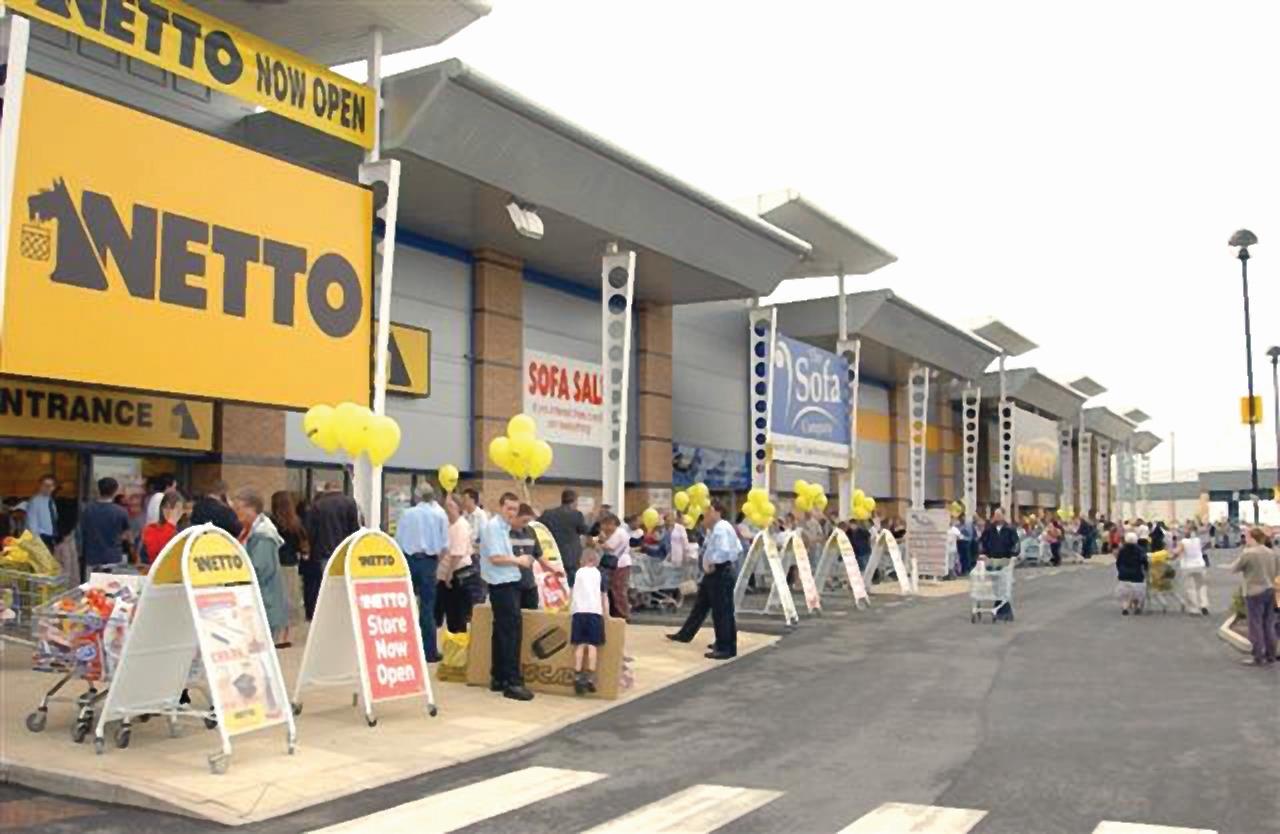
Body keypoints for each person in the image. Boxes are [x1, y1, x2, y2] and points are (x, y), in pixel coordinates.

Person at [480, 492, 534, 701]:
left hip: (508, 581)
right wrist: (519, 561)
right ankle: (512, 681)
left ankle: (499, 676)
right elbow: (495, 557)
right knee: (511, 632)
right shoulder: (494, 527)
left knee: (502, 631)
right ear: (500, 506)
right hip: (502, 583)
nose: (512, 513)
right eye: (509, 508)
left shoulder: (504, 528)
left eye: (515, 509)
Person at [396, 483, 449, 663]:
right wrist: (436, 562)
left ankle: (406, 648)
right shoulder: (440, 514)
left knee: (406, 605)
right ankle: (429, 651)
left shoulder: (407, 514)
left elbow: (399, 541)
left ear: (417, 497)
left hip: (409, 560)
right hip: (429, 561)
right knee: (427, 607)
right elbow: (444, 546)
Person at [232, 488, 289, 646]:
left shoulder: (264, 535)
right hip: (254, 602)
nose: (236, 513)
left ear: (251, 508)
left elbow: (260, 569)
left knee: (259, 649)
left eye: (239, 508)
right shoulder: (248, 531)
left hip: (263, 602)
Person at [303, 482, 360, 621]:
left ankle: (326, 615)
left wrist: (309, 550)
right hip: (345, 551)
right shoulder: (350, 503)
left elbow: (310, 532)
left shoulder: (318, 505)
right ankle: (341, 613)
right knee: (343, 585)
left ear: (326, 490)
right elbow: (355, 529)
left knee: (325, 585)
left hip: (323, 552)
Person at [1226, 528, 1279, 666]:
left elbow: (1234, 569)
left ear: (1252, 538)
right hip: (1269, 589)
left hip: (1254, 591)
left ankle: (1257, 656)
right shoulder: (1272, 553)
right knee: (1268, 624)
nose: (1245, 539)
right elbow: (1277, 570)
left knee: (1255, 625)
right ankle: (1271, 654)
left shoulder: (1248, 553)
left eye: (1246, 537)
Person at [270, 491, 308, 639]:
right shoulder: (295, 522)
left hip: (276, 561)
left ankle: (278, 632)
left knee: (278, 598)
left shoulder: (272, 522)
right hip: (291, 562)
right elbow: (302, 543)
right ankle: (288, 633)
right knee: (291, 598)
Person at [436, 495, 475, 634]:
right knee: (444, 610)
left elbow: (457, 554)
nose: (447, 509)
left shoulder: (461, 526)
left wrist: (449, 575)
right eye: (446, 506)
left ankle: (458, 643)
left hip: (457, 574)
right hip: (443, 573)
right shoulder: (447, 525)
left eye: (451, 506)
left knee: (456, 613)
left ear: (459, 508)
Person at [570, 548, 607, 696]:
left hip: (578, 612)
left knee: (579, 645)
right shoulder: (600, 575)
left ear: (582, 560)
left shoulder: (577, 574)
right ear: (596, 561)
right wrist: (607, 613)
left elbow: (571, 593)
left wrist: (569, 608)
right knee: (592, 645)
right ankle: (590, 675)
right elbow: (604, 596)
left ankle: (577, 673)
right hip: (594, 612)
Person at [78, 477, 132, 578]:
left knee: (92, 590)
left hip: (92, 558)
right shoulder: (121, 511)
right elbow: (127, 535)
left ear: (99, 490)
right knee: (112, 589)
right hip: (113, 557)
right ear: (115, 491)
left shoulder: (88, 510)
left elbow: (82, 532)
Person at [538, 489, 588, 587]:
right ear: (574, 500)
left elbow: (537, 527)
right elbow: (585, 530)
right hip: (571, 558)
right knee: (570, 586)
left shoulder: (548, 514)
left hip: (552, 555)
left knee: (554, 586)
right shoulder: (576, 515)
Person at [512, 503, 557, 610]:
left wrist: (553, 570)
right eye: (523, 521)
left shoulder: (530, 532)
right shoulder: (505, 533)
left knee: (532, 615)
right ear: (515, 517)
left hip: (528, 583)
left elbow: (539, 554)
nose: (526, 524)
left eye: (528, 521)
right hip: (511, 585)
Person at [596, 513, 631, 621]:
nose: (605, 528)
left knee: (618, 589)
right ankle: (615, 613)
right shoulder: (613, 533)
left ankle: (623, 614)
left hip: (621, 564)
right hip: (612, 564)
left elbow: (610, 547)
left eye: (607, 524)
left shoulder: (619, 533)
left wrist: (600, 542)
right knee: (611, 589)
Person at [1173, 527, 1210, 616]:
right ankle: (1204, 604)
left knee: (1190, 588)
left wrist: (1172, 551)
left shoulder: (1183, 542)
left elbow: (1177, 552)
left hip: (1187, 566)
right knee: (1201, 586)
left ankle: (1194, 609)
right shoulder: (1198, 540)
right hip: (1200, 565)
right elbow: (1206, 545)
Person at [140, 491, 184, 566]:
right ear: (161, 509)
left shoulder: (186, 530)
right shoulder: (151, 529)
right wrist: (170, 525)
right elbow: (157, 555)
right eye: (167, 507)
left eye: (176, 508)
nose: (171, 512)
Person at [1115, 531, 1149, 616]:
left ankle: (1125, 607)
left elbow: (1118, 562)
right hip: (1137, 574)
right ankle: (1136, 606)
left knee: (1125, 593)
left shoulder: (1122, 550)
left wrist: (1120, 570)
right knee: (1137, 592)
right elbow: (1144, 561)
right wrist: (1146, 569)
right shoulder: (1140, 550)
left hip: (1124, 574)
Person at [27, 474, 59, 552]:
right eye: (45, 485)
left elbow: (54, 519)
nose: (48, 488)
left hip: (51, 538)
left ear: (54, 487)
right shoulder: (35, 501)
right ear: (40, 486)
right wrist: (38, 545)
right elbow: (32, 525)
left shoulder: (51, 500)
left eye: (51, 485)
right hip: (41, 540)